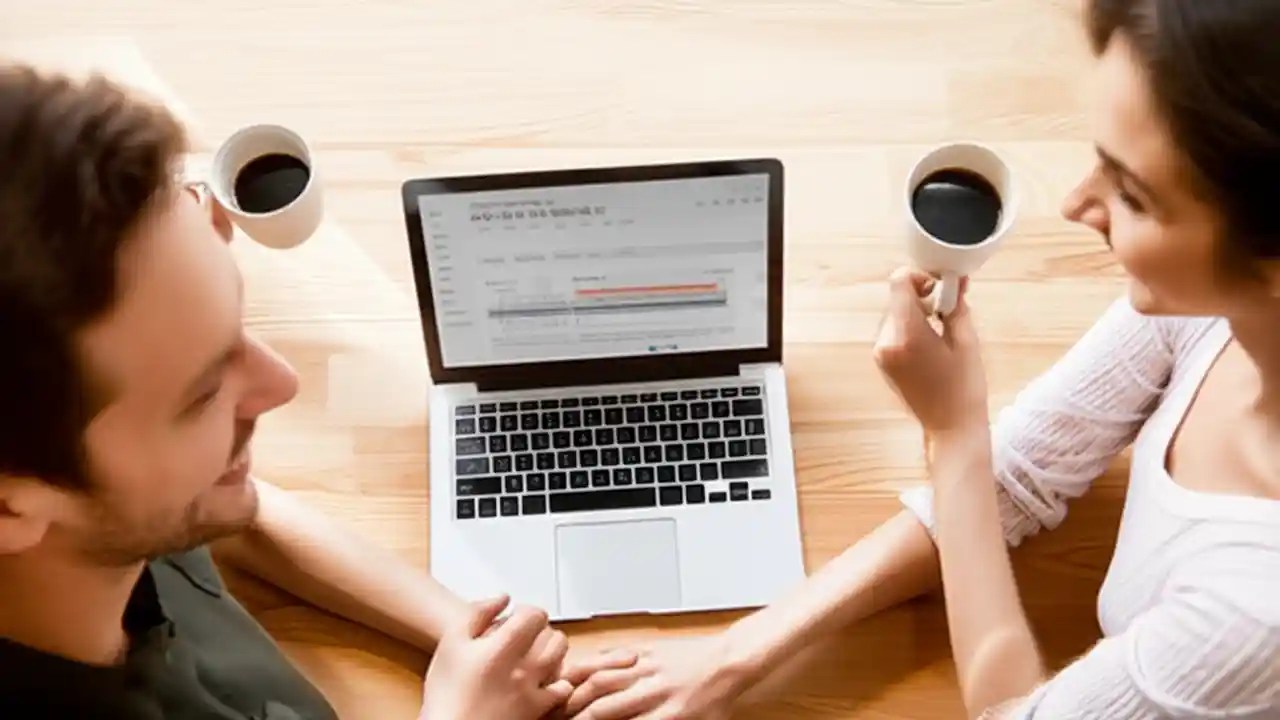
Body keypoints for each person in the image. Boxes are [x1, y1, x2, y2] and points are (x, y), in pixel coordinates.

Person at [562, 1, 1280, 718]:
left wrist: (954, 431)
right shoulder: (1216, 308)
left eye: (1131, 194)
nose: (1074, 204)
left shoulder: (1253, 615)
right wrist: (735, 654)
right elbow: (1023, 474)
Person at [0, 64, 634, 719]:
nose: (282, 383)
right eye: (203, 394)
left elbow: (246, 511)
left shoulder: (111, 496)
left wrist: (475, 640)